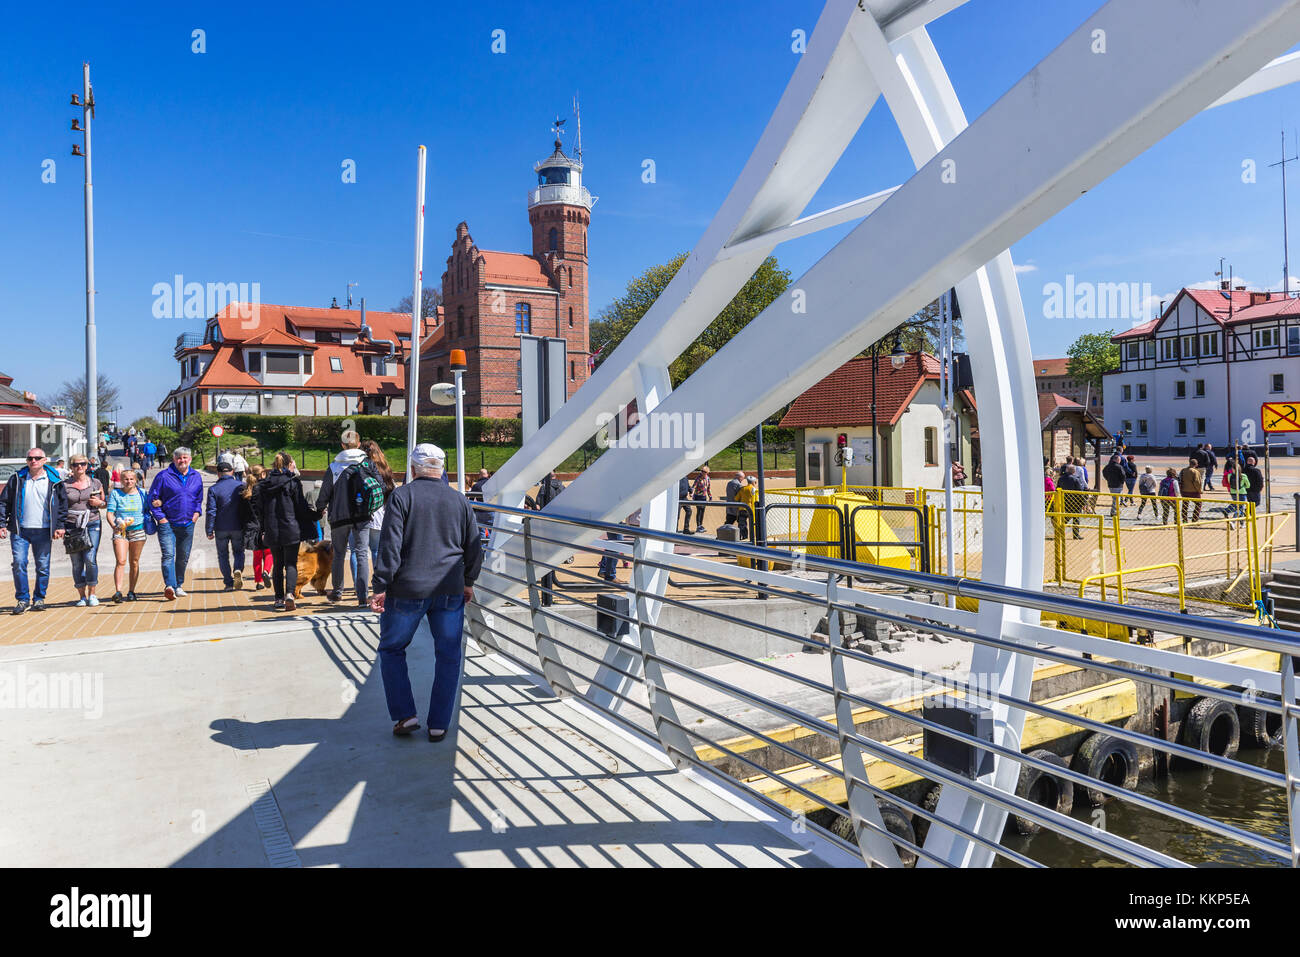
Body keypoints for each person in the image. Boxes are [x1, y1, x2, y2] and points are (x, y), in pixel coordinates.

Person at [370, 443, 483, 742]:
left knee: (392, 649)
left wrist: (380, 586)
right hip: (449, 588)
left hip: (407, 589)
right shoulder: (459, 501)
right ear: (443, 469)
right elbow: (474, 547)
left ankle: (406, 715)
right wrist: (468, 580)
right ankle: (438, 725)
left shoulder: (401, 497)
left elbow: (390, 546)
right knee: (448, 654)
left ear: (412, 469)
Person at [0, 448, 68, 613]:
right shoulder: (17, 479)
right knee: (19, 563)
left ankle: (39, 599)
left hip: (44, 530)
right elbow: (4, 502)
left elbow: (62, 505)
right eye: (30, 458)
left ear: (44, 460)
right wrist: (2, 523)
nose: (33, 461)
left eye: (37, 458)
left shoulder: (54, 481)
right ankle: (22, 599)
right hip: (20, 530)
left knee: (43, 566)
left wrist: (59, 526)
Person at [316, 433, 374, 607]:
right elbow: (378, 484)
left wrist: (320, 508)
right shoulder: (367, 464)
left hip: (339, 517)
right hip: (362, 516)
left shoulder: (334, 466)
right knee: (362, 554)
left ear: (342, 445)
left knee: (339, 554)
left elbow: (324, 494)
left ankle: (337, 592)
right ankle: (363, 596)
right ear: (359, 444)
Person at [251, 452, 314, 612]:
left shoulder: (264, 484)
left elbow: (258, 509)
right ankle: (289, 595)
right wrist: (316, 515)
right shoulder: (293, 482)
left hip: (272, 529)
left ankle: (278, 598)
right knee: (290, 564)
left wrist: (263, 528)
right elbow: (301, 507)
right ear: (288, 464)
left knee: (278, 564)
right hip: (291, 528)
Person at [147, 446, 204, 600]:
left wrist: (196, 514)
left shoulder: (196, 476)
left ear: (190, 459)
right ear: (173, 460)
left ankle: (178, 585)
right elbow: (152, 499)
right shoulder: (163, 476)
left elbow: (199, 498)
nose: (182, 460)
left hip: (188, 523)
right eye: (179, 458)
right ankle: (170, 586)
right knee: (168, 555)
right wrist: (161, 518)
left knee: (183, 556)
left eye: (185, 457)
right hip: (167, 523)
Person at [63, 455, 105, 606]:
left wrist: (100, 502)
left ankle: (92, 594)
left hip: (92, 522)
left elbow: (104, 503)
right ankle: (82, 596)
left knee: (90, 558)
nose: (79, 467)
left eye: (82, 464)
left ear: (87, 465)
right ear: (71, 467)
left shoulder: (96, 483)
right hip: (72, 524)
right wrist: (59, 526)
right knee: (76, 562)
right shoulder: (65, 485)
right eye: (75, 464)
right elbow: (60, 508)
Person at [106, 468, 149, 602]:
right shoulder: (115, 494)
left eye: (131, 479)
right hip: (121, 531)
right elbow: (110, 513)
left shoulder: (142, 493)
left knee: (134, 561)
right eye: (126, 479)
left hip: (138, 530)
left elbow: (149, 509)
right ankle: (118, 591)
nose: (129, 481)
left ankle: (132, 591)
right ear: (121, 480)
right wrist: (114, 526)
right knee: (121, 561)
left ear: (136, 480)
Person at [206, 460, 247, 590]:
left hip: (221, 528)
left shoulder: (213, 489)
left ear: (218, 474)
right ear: (232, 472)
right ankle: (238, 569)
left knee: (223, 555)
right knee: (239, 552)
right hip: (238, 526)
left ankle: (228, 583)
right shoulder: (241, 486)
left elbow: (211, 511)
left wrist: (209, 529)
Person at [361, 440, 399, 569]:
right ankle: (378, 581)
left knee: (359, 552)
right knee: (376, 550)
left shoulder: (361, 468)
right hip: (381, 515)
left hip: (363, 514)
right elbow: (394, 492)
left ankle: (358, 585)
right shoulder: (386, 471)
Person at [240, 465, 272, 589]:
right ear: (262, 474)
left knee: (257, 556)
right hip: (264, 525)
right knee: (269, 553)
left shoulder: (245, 491)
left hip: (251, 527)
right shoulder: (264, 490)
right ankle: (267, 572)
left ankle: (258, 581)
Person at [1056, 464, 1086, 539]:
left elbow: (1057, 489)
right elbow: (1079, 492)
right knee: (1076, 519)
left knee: (1066, 517)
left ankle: (1059, 530)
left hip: (1064, 500)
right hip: (1075, 501)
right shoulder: (1075, 479)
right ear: (1074, 471)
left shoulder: (1061, 479)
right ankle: (1075, 535)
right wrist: (1083, 502)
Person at [468, 467, 492, 539]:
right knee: (493, 532)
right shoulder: (492, 484)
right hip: (491, 510)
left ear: (479, 475)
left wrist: (474, 511)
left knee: (481, 532)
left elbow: (471, 499)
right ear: (487, 475)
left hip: (480, 511)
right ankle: (491, 549)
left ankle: (483, 549)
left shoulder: (476, 485)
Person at [1179, 457, 1203, 523]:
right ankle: (1195, 519)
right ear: (1196, 464)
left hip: (1184, 490)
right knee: (1198, 504)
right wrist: (1199, 490)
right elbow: (1197, 482)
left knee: (1185, 505)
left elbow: (1180, 480)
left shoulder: (1183, 470)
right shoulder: (1195, 472)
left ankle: (1184, 520)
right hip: (1194, 491)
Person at [736, 475, 758, 541]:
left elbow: (736, 498)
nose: (756, 483)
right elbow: (756, 500)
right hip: (751, 509)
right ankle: (753, 538)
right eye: (755, 482)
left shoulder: (743, 489)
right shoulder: (754, 490)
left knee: (742, 524)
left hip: (742, 509)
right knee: (753, 524)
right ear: (753, 482)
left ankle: (744, 537)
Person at [691, 466, 711, 534]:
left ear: (707, 473)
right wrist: (692, 493)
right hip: (698, 497)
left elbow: (708, 488)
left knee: (702, 511)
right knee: (699, 511)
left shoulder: (708, 478)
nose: (702, 472)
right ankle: (698, 526)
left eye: (704, 472)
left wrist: (710, 496)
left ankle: (701, 525)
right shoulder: (698, 478)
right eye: (702, 471)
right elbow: (694, 486)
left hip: (704, 497)